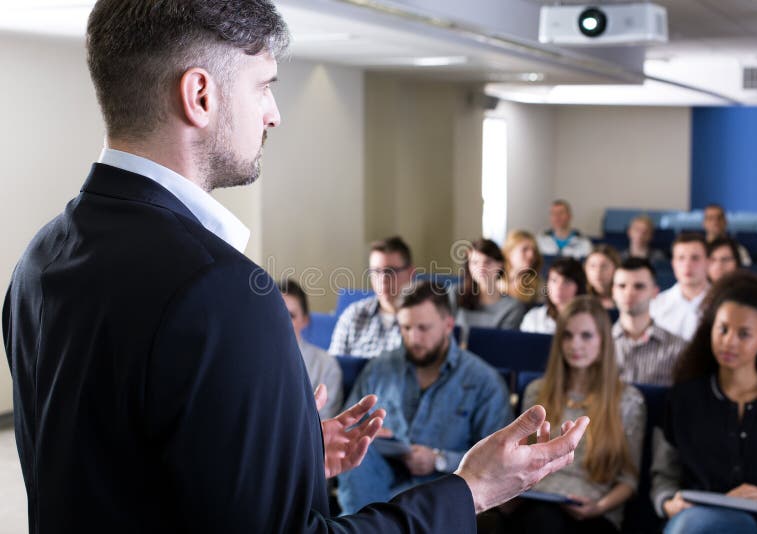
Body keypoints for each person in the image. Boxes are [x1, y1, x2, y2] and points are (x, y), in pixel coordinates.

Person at [2, 2, 590, 532]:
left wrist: (290, 455)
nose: (274, 114)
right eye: (264, 86)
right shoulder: (220, 288)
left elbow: (118, 467)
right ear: (200, 95)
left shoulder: (41, 258)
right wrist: (471, 490)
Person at [338, 281, 513, 513]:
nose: (414, 339)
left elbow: (497, 463)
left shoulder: (484, 382)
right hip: (377, 485)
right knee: (357, 449)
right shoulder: (380, 369)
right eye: (406, 328)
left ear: (448, 324)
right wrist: (365, 434)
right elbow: (345, 431)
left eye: (423, 328)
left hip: (441, 492)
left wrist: (439, 459)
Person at [651, 271, 757, 534]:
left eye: (744, 334)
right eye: (722, 329)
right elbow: (664, 473)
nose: (729, 342)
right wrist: (667, 502)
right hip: (693, 522)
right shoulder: (683, 399)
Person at [508, 296, 645, 533]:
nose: (575, 345)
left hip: (593, 513)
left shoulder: (628, 400)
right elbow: (522, 461)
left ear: (603, 341)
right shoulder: (536, 392)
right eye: (568, 336)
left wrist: (599, 507)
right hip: (538, 504)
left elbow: (629, 481)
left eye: (586, 336)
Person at [328, 236, 414, 358]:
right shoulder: (353, 315)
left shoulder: (422, 321)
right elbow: (333, 367)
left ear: (410, 273)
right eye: (376, 271)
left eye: (391, 271)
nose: (383, 279)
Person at [611, 259, 686, 386]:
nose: (629, 293)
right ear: (613, 292)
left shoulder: (679, 349)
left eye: (639, 286)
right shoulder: (597, 345)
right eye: (622, 286)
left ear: (654, 292)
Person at [279, 278, 343, 419]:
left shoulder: (326, 366)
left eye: (291, 315)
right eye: (277, 313)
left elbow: (324, 425)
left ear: (305, 320)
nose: (283, 322)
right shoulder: (251, 361)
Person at [455, 238, 526, 333]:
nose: (481, 268)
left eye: (488, 262)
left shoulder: (513, 308)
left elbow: (502, 343)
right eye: (475, 262)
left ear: (500, 265)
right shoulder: (455, 295)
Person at [650, 232, 710, 340]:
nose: (687, 265)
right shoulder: (656, 305)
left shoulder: (722, 303)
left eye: (695, 258)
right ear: (673, 264)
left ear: (707, 262)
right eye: (681, 258)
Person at [520, 258, 587, 335]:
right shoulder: (533, 317)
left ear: (579, 286)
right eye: (554, 280)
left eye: (566, 282)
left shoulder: (589, 320)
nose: (559, 287)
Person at [500, 229, 544, 309]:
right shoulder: (495, 282)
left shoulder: (539, 285)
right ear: (509, 253)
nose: (531, 255)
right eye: (525, 249)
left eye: (534, 251)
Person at [585, 245, 621, 310]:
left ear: (616, 268)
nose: (598, 272)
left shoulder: (624, 298)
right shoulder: (579, 298)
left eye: (604, 266)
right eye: (592, 266)